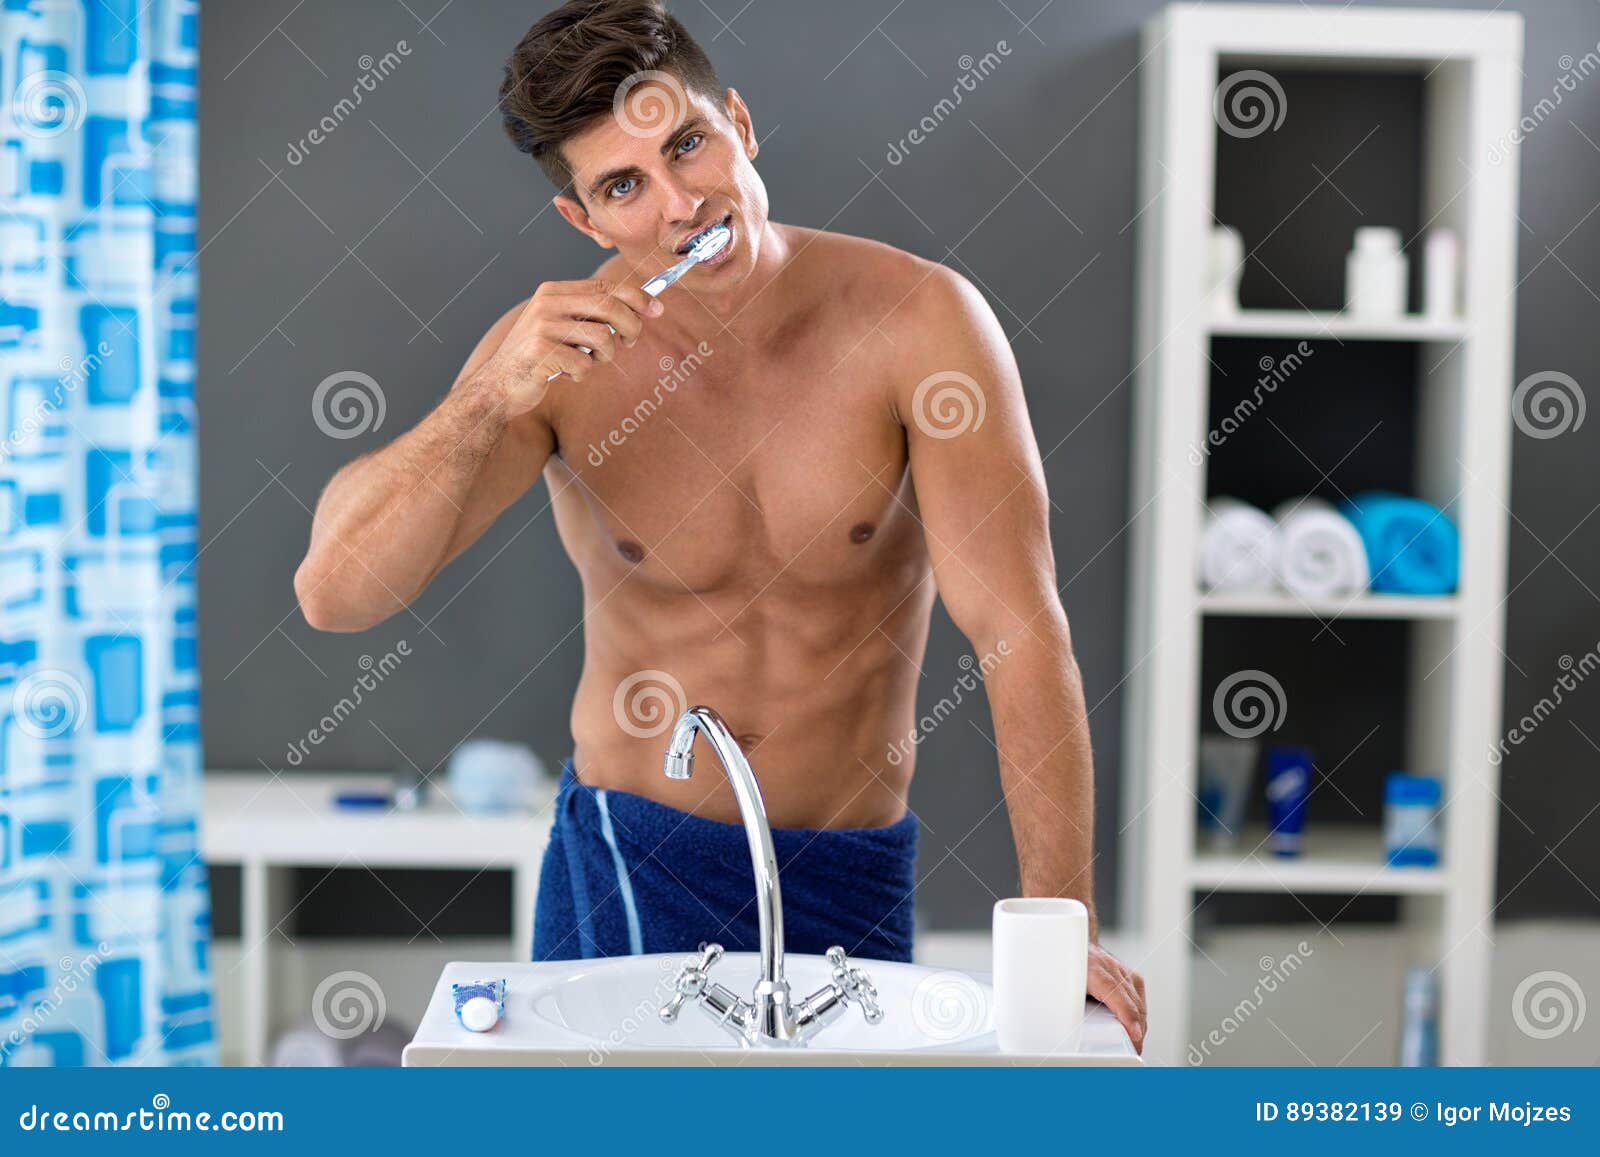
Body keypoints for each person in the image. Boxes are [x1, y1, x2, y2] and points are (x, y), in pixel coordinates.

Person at [294, 0, 1146, 1051]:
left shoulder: (918, 321)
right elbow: (335, 593)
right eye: (623, 186)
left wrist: (1065, 932)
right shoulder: (553, 361)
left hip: (844, 872)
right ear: (585, 221)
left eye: (685, 143)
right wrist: (484, 402)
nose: (680, 205)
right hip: (627, 860)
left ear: (739, 121)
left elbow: (1020, 630)